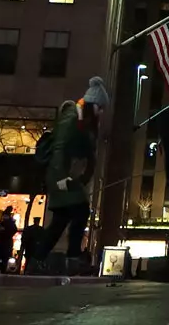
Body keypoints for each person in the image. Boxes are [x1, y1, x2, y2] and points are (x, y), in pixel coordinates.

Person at [26, 78, 108, 272]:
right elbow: (60, 149)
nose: (101, 112)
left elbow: (87, 155)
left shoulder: (81, 121)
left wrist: (81, 178)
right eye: (100, 108)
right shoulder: (72, 119)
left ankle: (38, 260)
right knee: (79, 211)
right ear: (93, 104)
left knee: (61, 220)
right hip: (60, 176)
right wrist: (62, 177)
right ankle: (71, 258)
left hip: (63, 176)